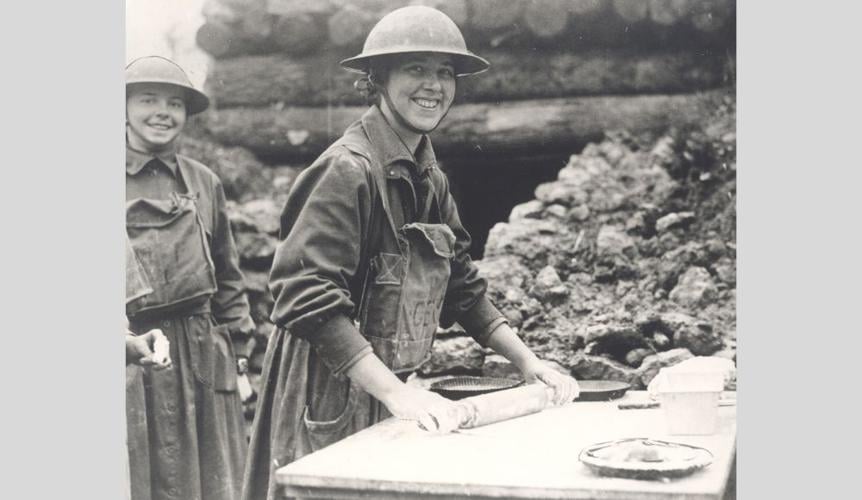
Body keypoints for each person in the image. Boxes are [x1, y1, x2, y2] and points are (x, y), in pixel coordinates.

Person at [241, 7, 580, 500]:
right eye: (416, 69)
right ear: (377, 79)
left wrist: (530, 363)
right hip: (325, 380)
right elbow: (306, 298)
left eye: (445, 72)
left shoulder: (430, 176)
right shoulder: (347, 169)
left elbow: (460, 286)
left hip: (387, 385)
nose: (433, 85)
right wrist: (397, 393)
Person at [125, 55, 256, 500]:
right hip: (136, 352)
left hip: (204, 353)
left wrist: (239, 359)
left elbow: (229, 276)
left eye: (175, 104)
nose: (163, 112)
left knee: (216, 481)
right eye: (148, 99)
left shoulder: (204, 182)